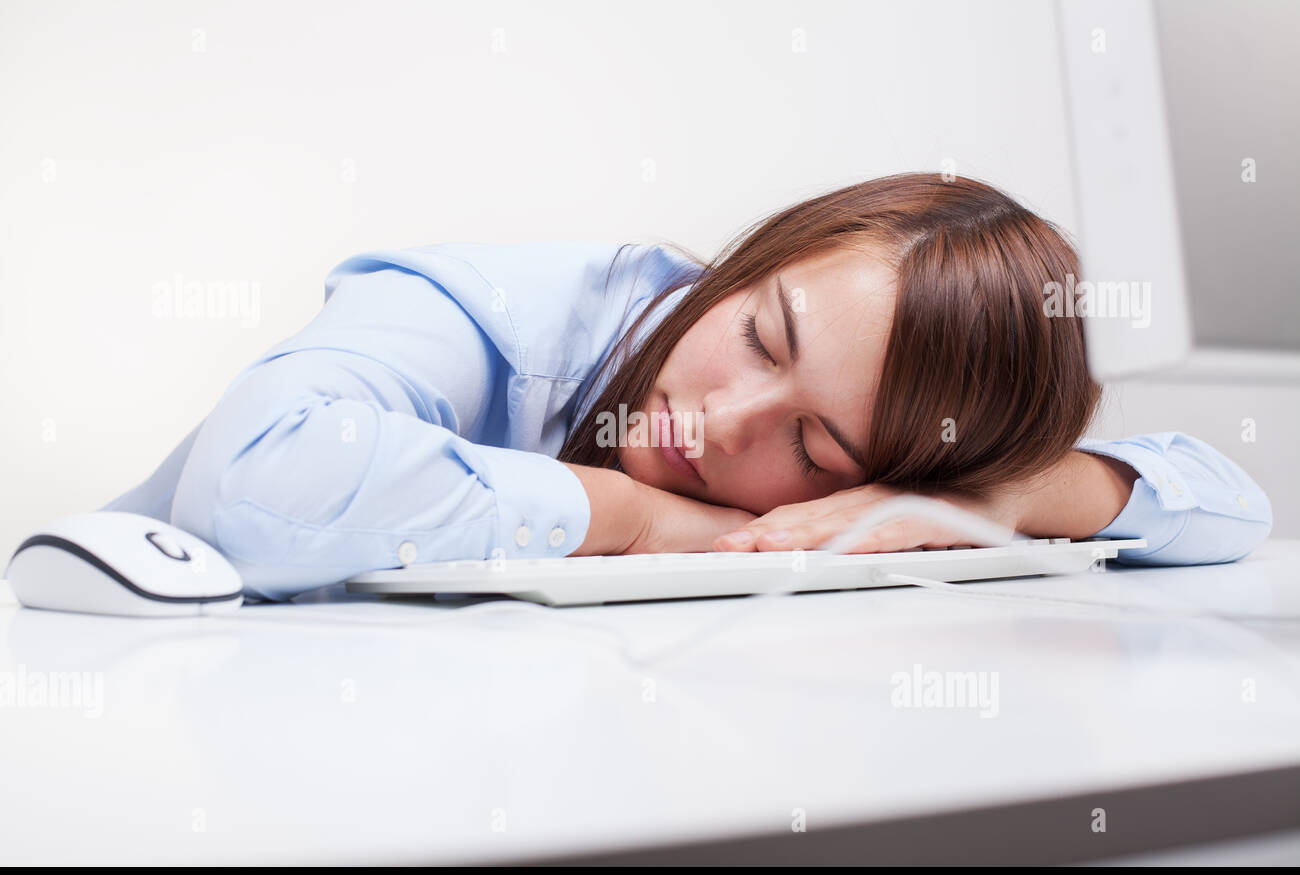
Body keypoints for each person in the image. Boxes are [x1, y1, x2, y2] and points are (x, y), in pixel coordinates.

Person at [100, 173, 1273, 601]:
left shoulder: (897, 478)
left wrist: (1007, 497)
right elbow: (259, 489)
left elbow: (1229, 504)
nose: (714, 421)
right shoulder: (485, 315)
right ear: (752, 263)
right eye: (760, 335)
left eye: (813, 450)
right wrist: (636, 514)